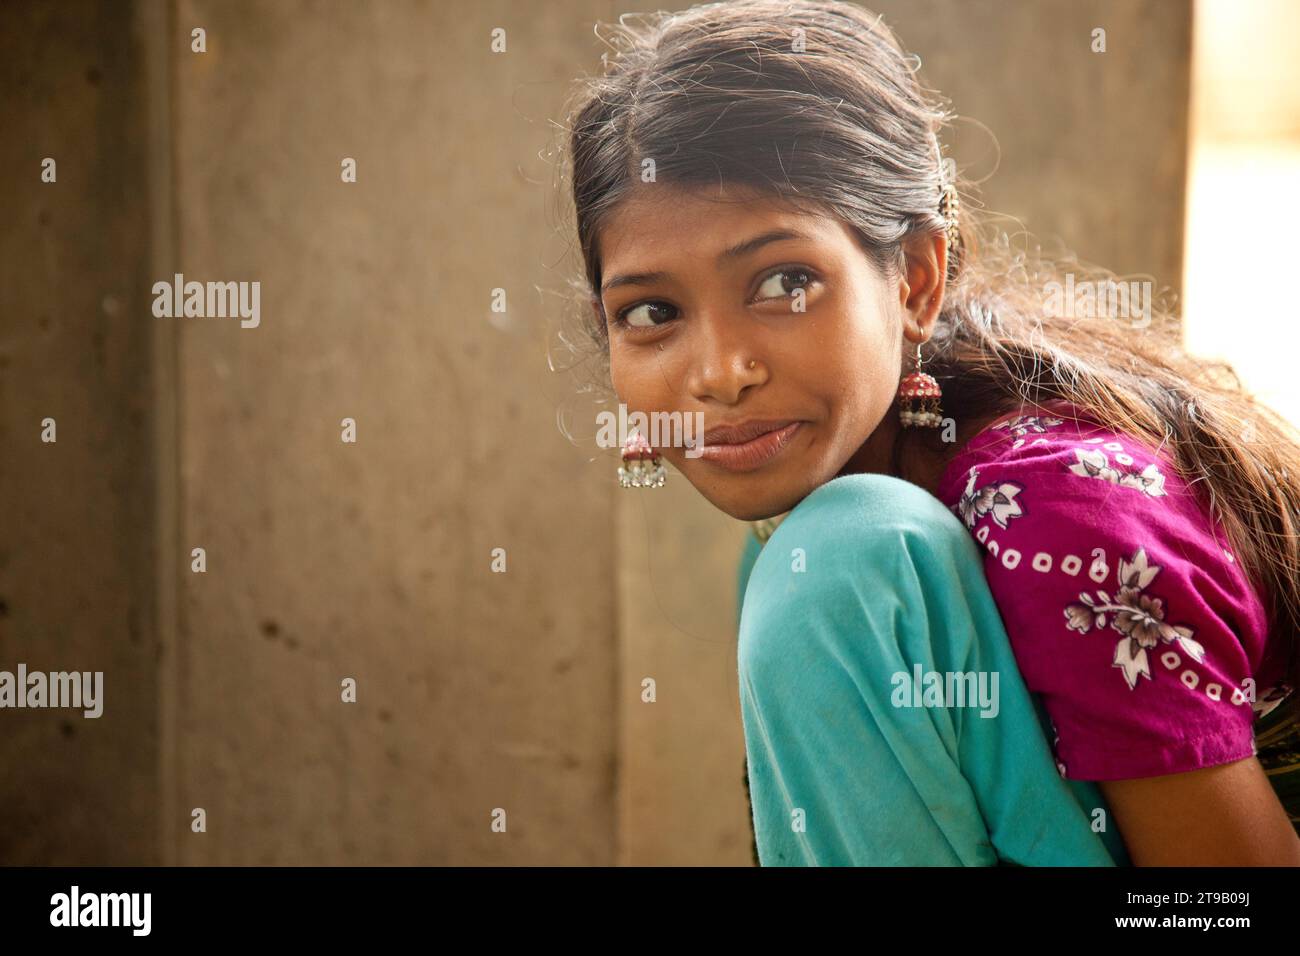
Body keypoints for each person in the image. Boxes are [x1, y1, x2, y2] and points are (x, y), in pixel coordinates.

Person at [562, 0, 1300, 864]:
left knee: (834, 570)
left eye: (783, 282)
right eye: (652, 311)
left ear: (915, 280)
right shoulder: (838, 513)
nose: (720, 371)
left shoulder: (1053, 515)